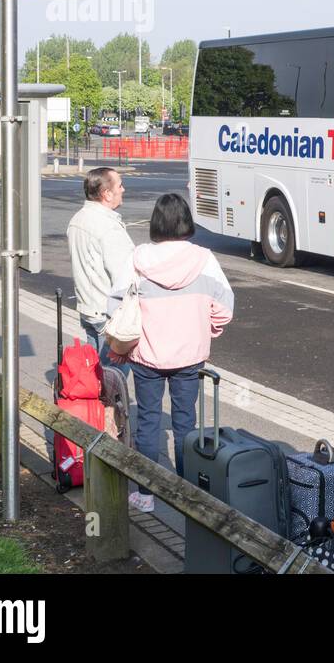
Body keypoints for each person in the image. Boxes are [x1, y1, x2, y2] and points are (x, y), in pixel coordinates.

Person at [105, 193, 234, 513]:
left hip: (147, 355)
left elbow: (115, 305)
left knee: (147, 420)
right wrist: (207, 329)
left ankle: (147, 496)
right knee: (186, 423)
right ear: (186, 221)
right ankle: (185, 494)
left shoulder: (138, 258)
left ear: (156, 223)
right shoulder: (204, 259)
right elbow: (225, 307)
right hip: (190, 356)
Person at [67, 167, 135, 364]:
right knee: (113, 379)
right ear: (106, 194)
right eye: (120, 185)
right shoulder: (107, 226)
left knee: (95, 371)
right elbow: (125, 277)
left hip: (88, 307)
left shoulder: (78, 219)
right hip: (108, 315)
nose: (123, 189)